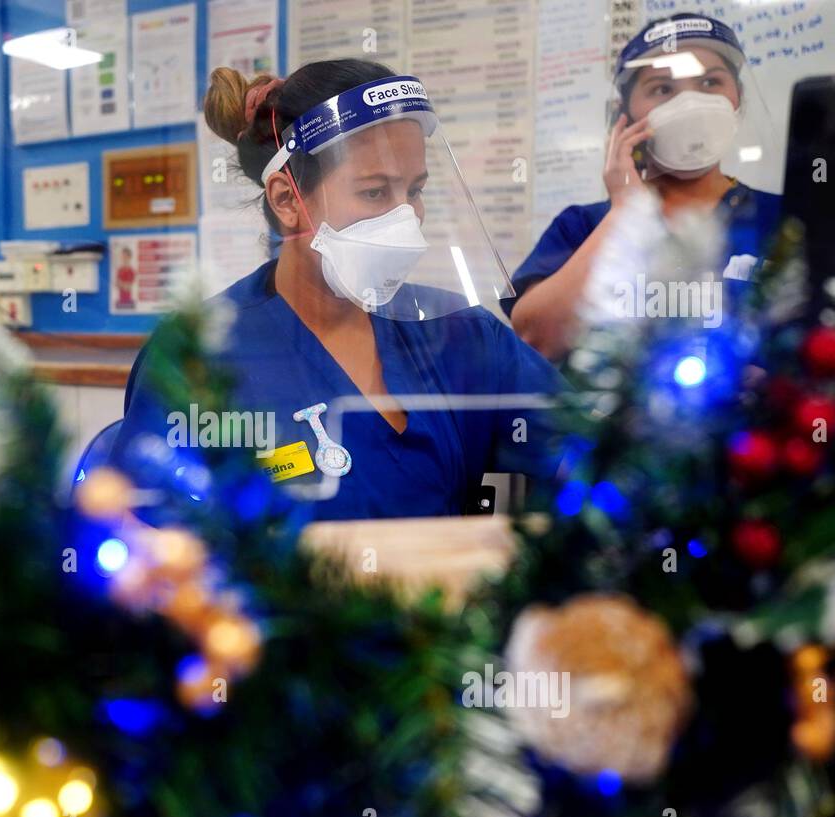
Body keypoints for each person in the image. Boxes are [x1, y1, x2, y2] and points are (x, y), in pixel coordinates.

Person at [109, 59, 565, 521]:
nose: (407, 218)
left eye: (415, 190)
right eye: (374, 192)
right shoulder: (200, 357)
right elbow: (141, 544)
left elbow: (590, 448)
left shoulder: (463, 335)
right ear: (288, 200)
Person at [507, 14, 783, 361]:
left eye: (711, 83)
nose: (690, 105)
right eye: (662, 89)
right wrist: (625, 212)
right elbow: (535, 338)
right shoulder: (583, 225)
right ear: (625, 115)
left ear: (738, 98)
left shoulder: (785, 219)